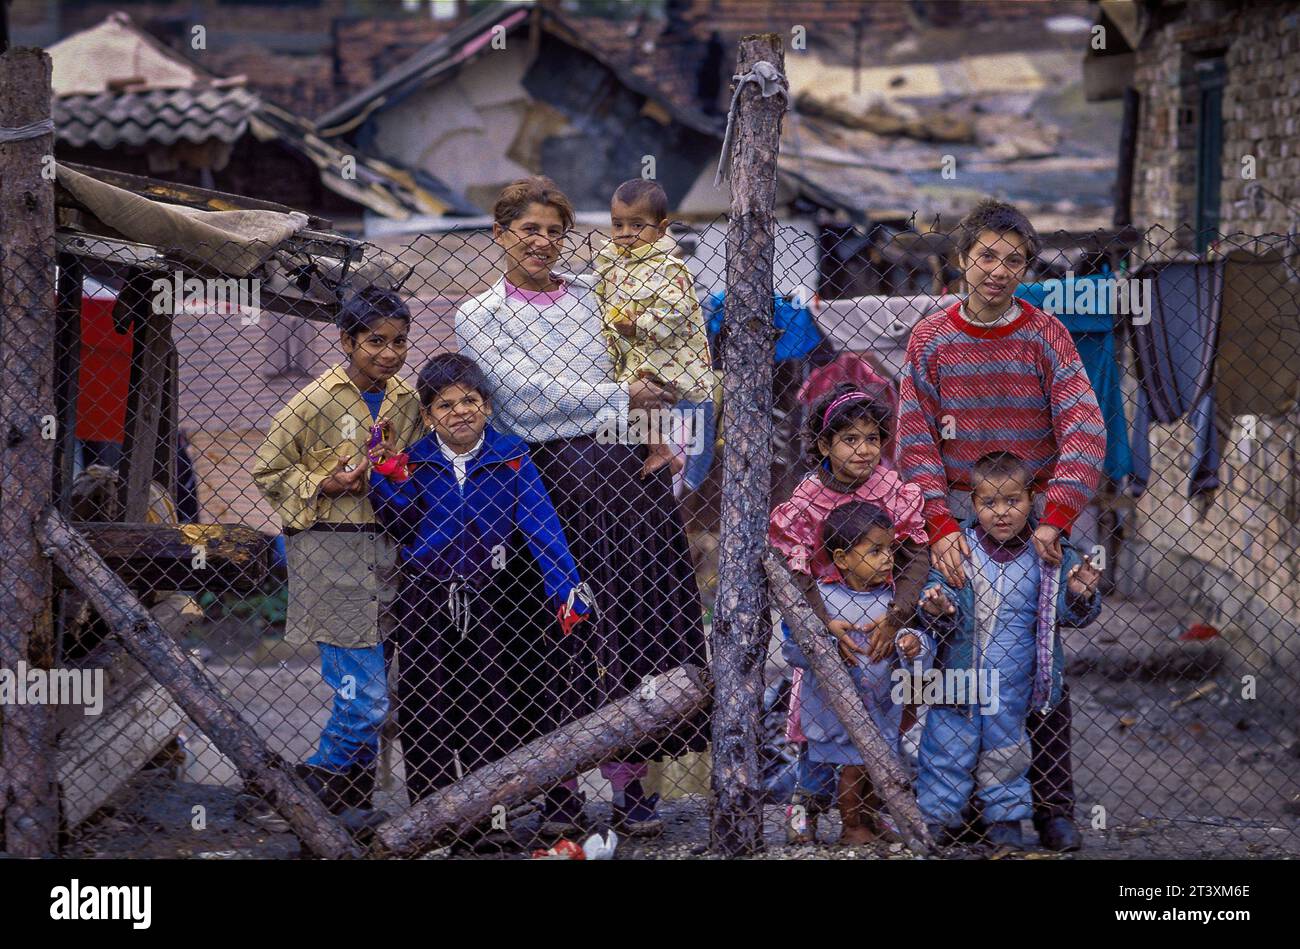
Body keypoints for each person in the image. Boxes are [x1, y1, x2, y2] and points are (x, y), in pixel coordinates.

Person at [455, 176, 708, 838]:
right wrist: (619, 397)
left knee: (634, 624)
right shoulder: (478, 315)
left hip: (629, 484)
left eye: (554, 230)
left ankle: (632, 787)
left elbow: (651, 367)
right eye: (528, 229)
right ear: (500, 233)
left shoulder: (596, 295)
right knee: (554, 631)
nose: (542, 241)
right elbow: (519, 398)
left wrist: (626, 397)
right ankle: (560, 788)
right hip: (546, 490)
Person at [897, 197, 1107, 851]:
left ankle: (1051, 807)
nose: (998, 269)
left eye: (1013, 259)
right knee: (956, 657)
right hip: (958, 521)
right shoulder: (930, 339)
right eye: (986, 254)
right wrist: (939, 526)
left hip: (1035, 518)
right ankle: (963, 804)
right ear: (962, 259)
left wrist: (1057, 516)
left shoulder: (1047, 336)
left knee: (1039, 661)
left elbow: (1086, 427)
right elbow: (915, 442)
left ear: (1025, 269)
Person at [368, 353, 589, 803]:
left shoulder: (511, 457)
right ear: (427, 416)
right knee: (426, 704)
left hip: (491, 597)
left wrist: (566, 588)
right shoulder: (416, 460)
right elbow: (400, 523)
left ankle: (490, 815)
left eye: (468, 400)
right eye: (445, 405)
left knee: (489, 703)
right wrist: (385, 478)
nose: (459, 412)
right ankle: (432, 813)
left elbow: (540, 524)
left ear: (487, 405)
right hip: (426, 599)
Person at [252, 286, 424, 813]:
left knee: (367, 690)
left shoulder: (406, 401)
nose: (389, 354)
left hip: (391, 555)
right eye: (375, 341)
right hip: (330, 553)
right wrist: (323, 482)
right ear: (347, 340)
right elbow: (267, 469)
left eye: (399, 342)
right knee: (367, 700)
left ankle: (344, 805)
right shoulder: (313, 402)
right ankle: (312, 782)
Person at [915, 452, 1102, 849]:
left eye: (1012, 501)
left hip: (1014, 679)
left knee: (1008, 752)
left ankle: (1006, 822)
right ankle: (938, 819)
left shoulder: (1048, 553)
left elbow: (1066, 614)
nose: (1001, 512)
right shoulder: (958, 547)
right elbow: (939, 592)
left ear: (1033, 498)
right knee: (944, 749)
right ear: (972, 503)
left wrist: (1079, 593)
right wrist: (936, 606)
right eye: (989, 503)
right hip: (957, 674)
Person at [769, 383, 930, 842]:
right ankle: (805, 810)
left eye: (873, 438)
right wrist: (822, 624)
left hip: (880, 610)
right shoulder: (807, 498)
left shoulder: (890, 488)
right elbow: (795, 567)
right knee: (820, 722)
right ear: (824, 444)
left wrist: (898, 614)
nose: (864, 450)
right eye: (850, 439)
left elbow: (916, 552)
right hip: (826, 613)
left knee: (880, 715)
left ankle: (865, 813)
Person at [781, 501, 928, 845]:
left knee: (869, 773)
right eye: (875, 550)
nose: (888, 558)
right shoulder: (824, 601)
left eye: (890, 549)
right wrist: (824, 646)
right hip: (829, 711)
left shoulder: (894, 603)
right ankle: (810, 821)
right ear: (842, 559)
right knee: (814, 778)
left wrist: (910, 643)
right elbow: (793, 648)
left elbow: (919, 636)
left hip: (879, 709)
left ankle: (867, 819)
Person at [593, 178, 717, 490]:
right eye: (617, 225)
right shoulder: (613, 265)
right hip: (629, 352)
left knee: (641, 397)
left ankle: (663, 452)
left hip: (667, 355)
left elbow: (676, 312)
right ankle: (661, 451)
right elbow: (599, 298)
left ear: (660, 229)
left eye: (636, 225)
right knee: (632, 400)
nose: (625, 234)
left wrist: (641, 323)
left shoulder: (670, 268)